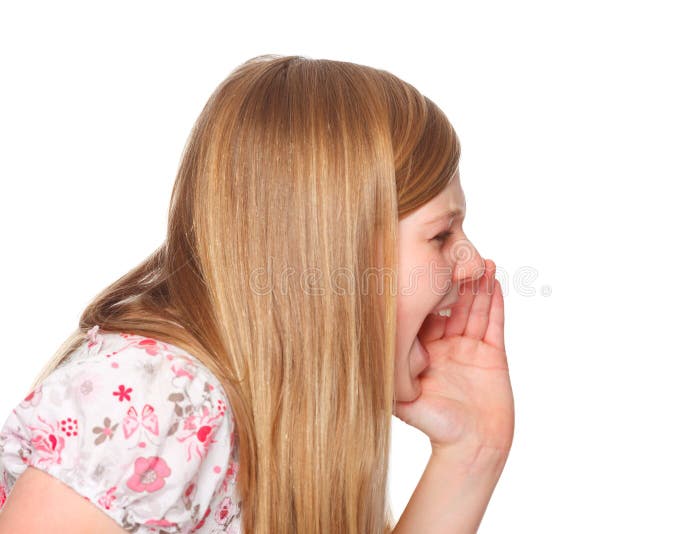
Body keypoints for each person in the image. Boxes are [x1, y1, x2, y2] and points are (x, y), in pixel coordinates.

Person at [0, 54, 514, 533]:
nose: (473, 264)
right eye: (442, 234)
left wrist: (474, 451)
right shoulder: (156, 403)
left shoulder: (281, 421)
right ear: (329, 252)